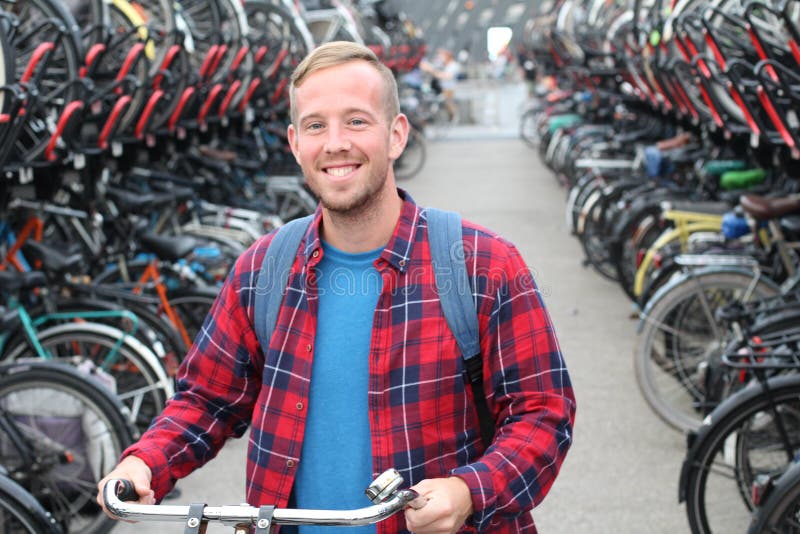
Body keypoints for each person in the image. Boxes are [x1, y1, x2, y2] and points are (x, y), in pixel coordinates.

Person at [96, 41, 576, 533]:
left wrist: (469, 491)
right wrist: (145, 462)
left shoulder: (482, 264)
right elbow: (206, 398)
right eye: (315, 126)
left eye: (356, 121)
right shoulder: (262, 270)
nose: (335, 143)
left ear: (396, 134)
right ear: (294, 143)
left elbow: (543, 414)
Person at [420, 48, 462, 123]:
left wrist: (432, 70)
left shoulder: (454, 65)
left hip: (449, 89)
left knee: (448, 103)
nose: (440, 58)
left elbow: (447, 76)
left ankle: (453, 118)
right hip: (441, 88)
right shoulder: (444, 65)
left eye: (442, 56)